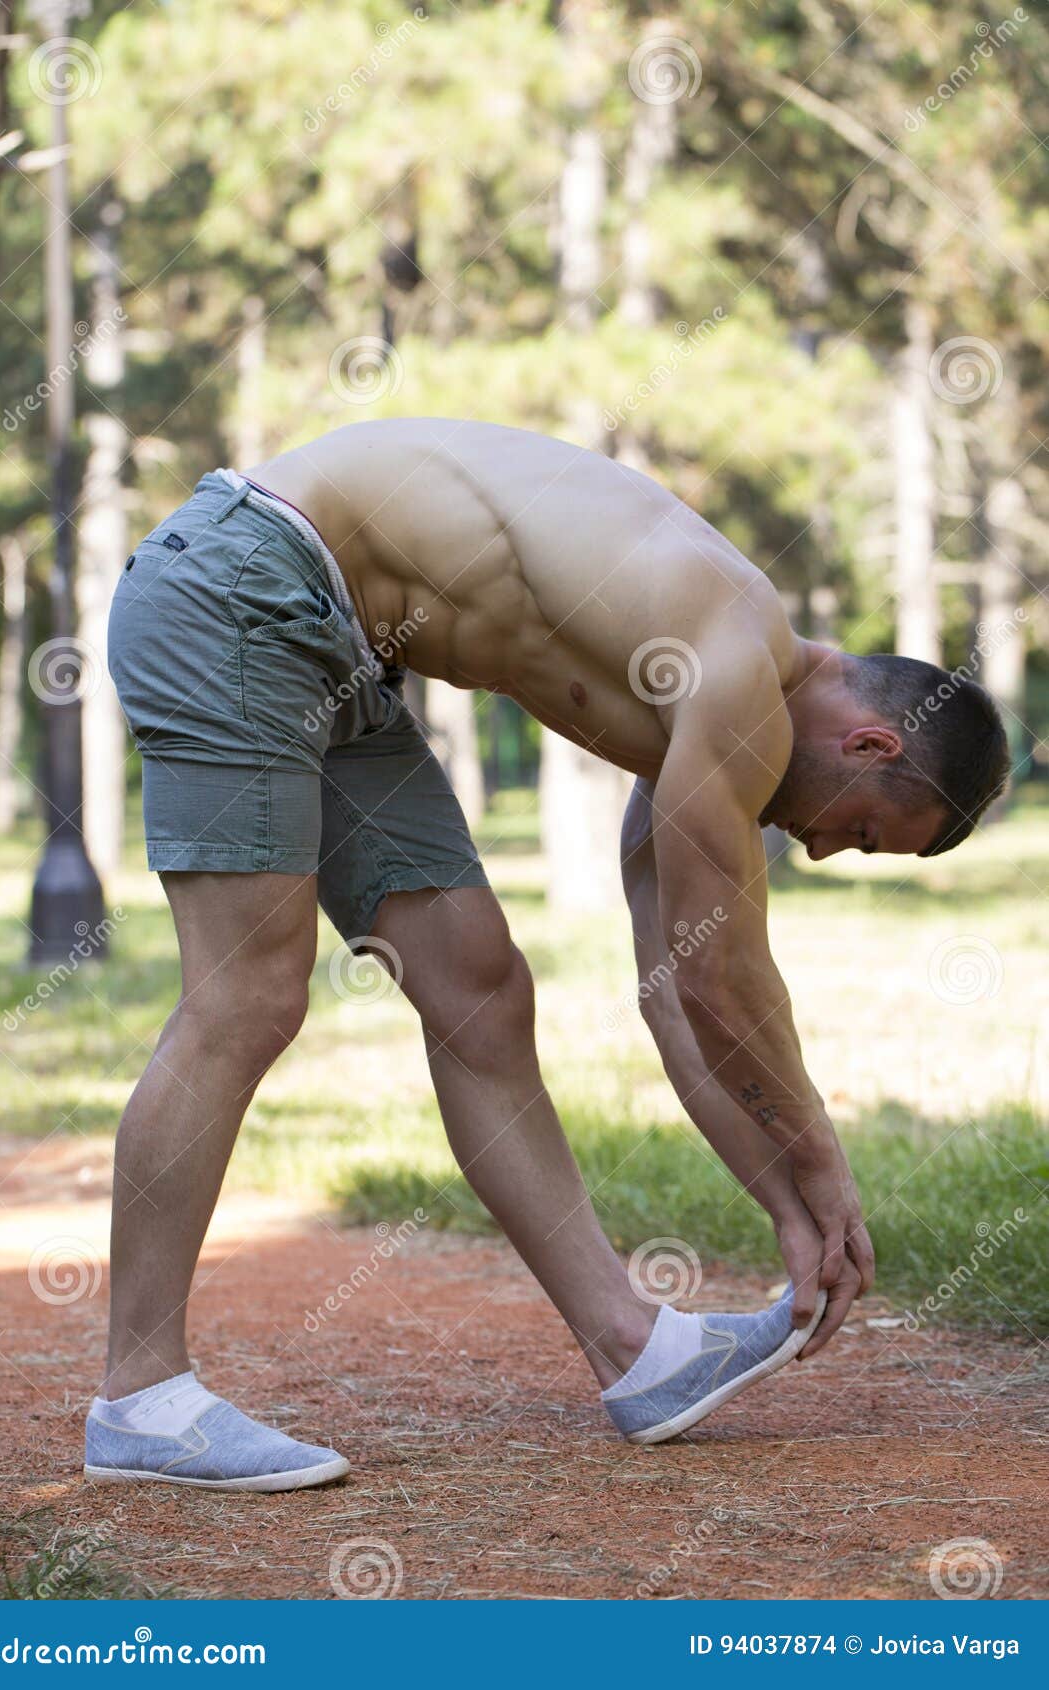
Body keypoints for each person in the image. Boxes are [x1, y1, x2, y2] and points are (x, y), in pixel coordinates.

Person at [86, 418, 1009, 1489]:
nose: (815, 844)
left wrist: (789, 1202)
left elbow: (675, 994)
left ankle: (633, 1349)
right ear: (870, 744)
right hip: (247, 584)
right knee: (247, 992)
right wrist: (821, 1158)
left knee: (478, 986)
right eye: (855, 830)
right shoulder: (729, 659)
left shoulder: (691, 719)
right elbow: (723, 976)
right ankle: (140, 1396)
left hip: (334, 649)